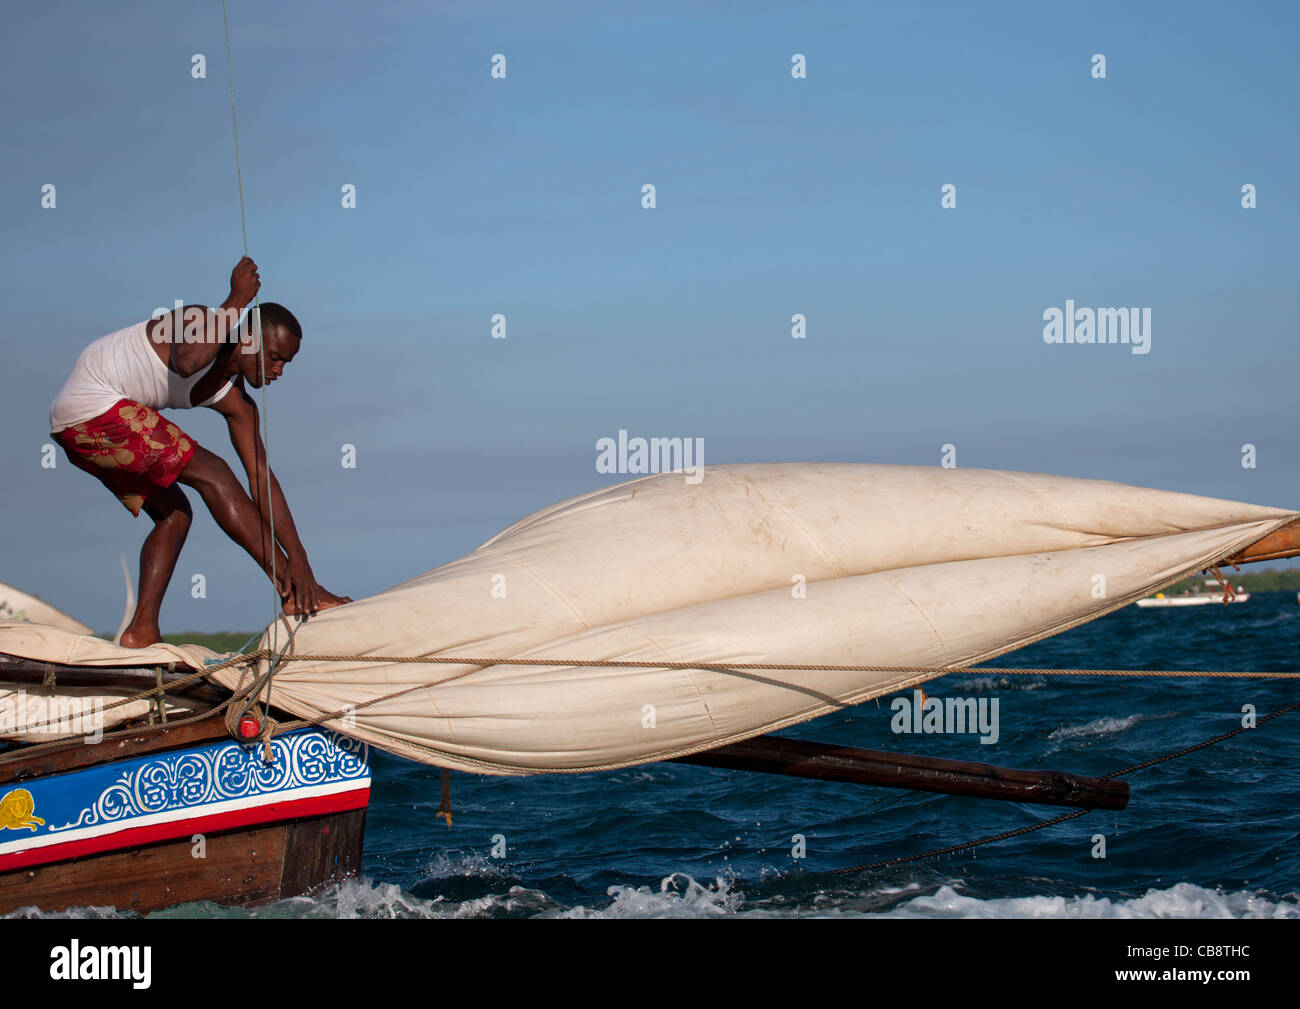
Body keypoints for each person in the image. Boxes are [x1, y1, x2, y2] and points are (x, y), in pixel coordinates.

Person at [49, 256, 349, 647]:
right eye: (274, 357)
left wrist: (301, 559)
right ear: (250, 337)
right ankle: (292, 595)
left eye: (286, 364)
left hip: (88, 432)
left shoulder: (239, 404)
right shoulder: (199, 321)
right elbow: (186, 362)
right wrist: (237, 300)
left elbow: (260, 477)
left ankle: (141, 632)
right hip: (92, 407)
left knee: (175, 515)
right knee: (214, 473)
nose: (278, 371)